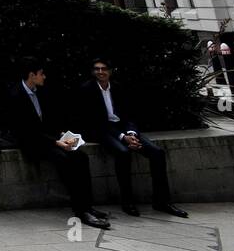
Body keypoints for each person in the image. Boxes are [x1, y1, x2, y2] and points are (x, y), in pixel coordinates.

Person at [5, 58, 109, 229]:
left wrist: (61, 135)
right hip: (32, 143)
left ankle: (88, 206)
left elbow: (48, 121)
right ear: (32, 75)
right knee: (66, 161)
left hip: (48, 139)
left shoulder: (40, 92)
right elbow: (26, 131)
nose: (44, 77)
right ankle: (81, 211)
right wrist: (57, 143)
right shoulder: (15, 95)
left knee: (81, 157)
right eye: (41, 74)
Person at [79, 58, 188, 218]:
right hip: (102, 131)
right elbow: (96, 122)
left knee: (157, 153)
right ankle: (127, 201)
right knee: (123, 153)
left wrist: (131, 134)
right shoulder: (86, 90)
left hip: (124, 129)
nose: (100, 72)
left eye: (104, 68)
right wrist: (123, 138)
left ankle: (162, 201)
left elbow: (130, 115)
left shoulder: (118, 88)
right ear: (92, 72)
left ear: (110, 71)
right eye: (97, 69)